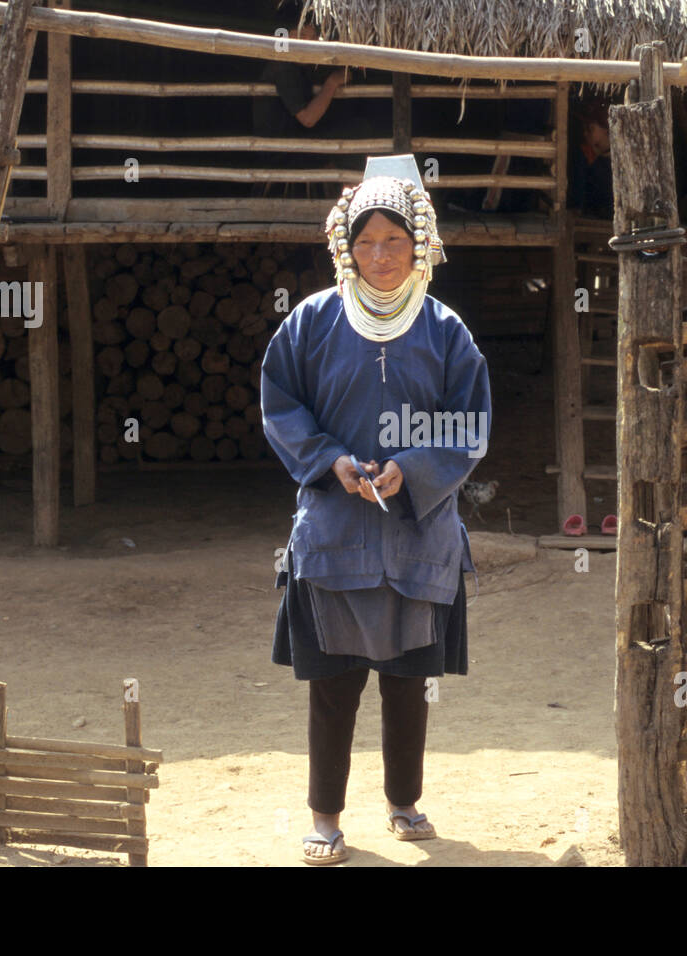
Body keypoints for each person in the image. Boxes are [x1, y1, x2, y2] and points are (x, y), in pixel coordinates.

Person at [261, 154, 492, 865]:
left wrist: (412, 469)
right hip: (335, 533)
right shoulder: (311, 324)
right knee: (333, 685)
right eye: (366, 242)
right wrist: (329, 460)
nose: (381, 256)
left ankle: (404, 803)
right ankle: (325, 817)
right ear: (345, 248)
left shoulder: (447, 330)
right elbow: (281, 402)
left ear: (419, 245)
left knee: (408, 682)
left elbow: (469, 422)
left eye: (395, 240)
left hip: (419, 535)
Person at [568, 102, 614, 220]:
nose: (585, 133)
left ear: (606, 129)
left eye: (590, 128)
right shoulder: (589, 156)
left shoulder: (610, 162)